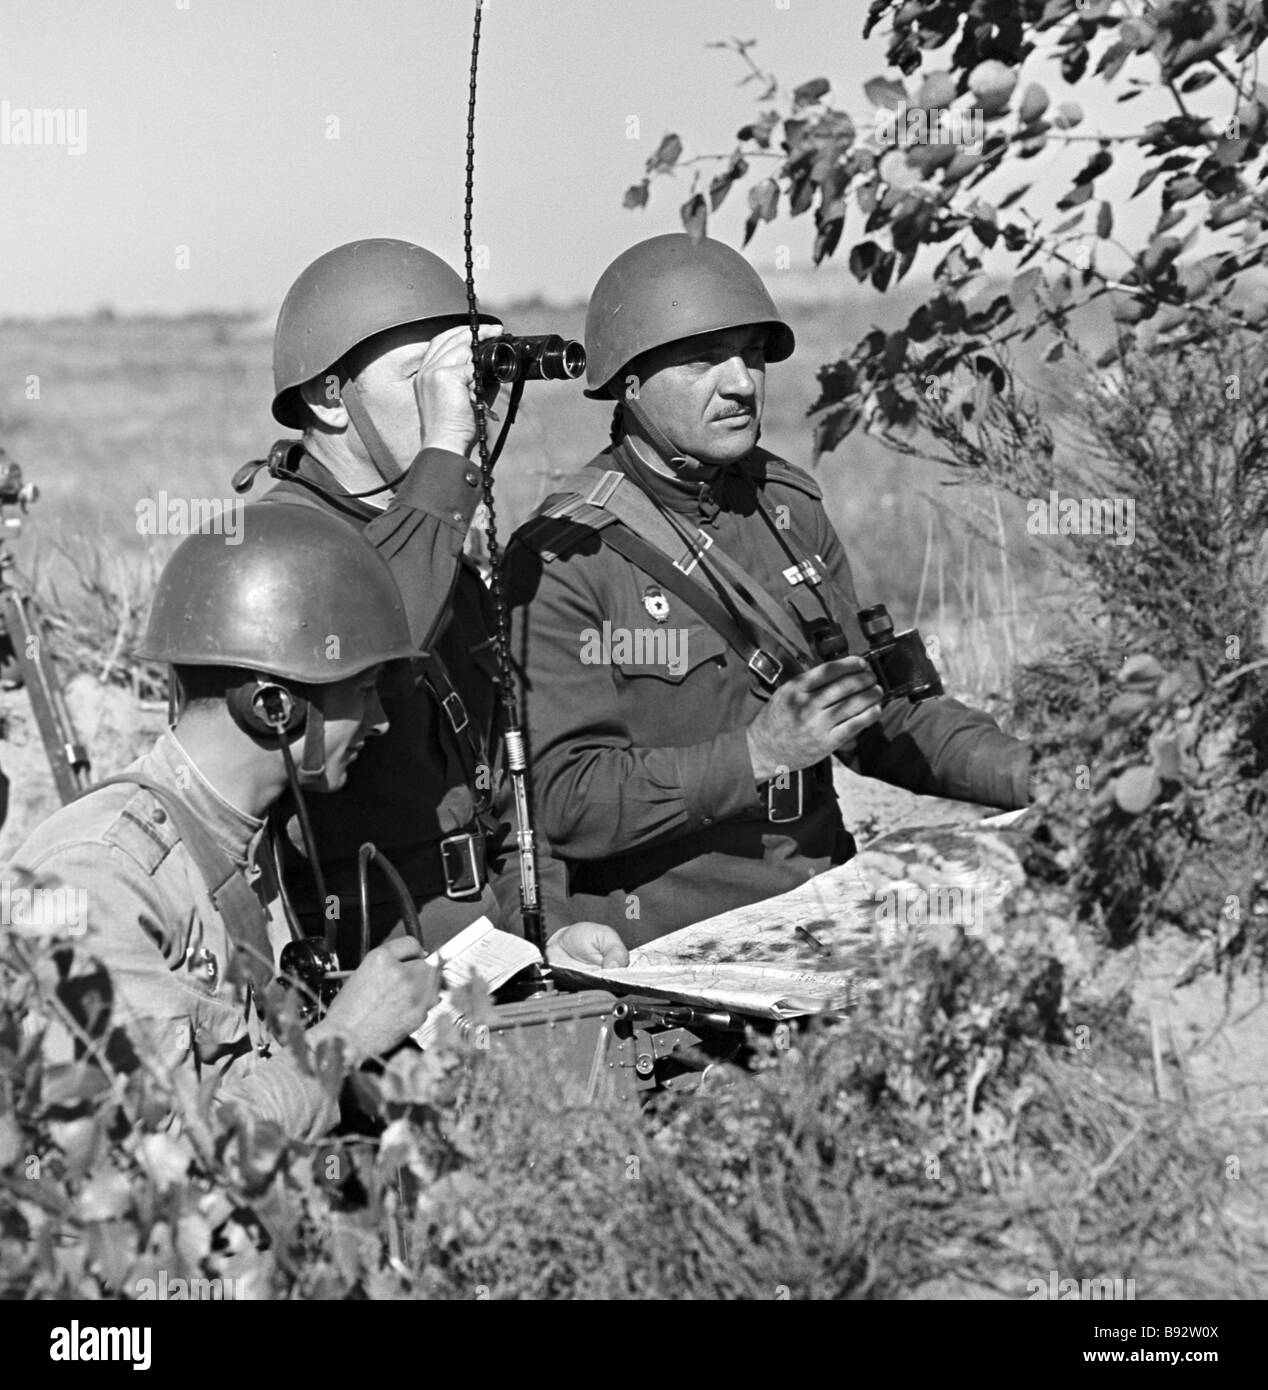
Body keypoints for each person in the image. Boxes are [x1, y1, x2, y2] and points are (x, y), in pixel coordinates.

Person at [506, 233, 1032, 948]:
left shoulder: (786, 506)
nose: (741, 383)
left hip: (824, 911)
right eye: (701, 360)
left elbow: (884, 718)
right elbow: (565, 801)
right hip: (674, 948)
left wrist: (1033, 774)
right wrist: (758, 754)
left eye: (751, 353)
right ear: (628, 383)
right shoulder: (566, 557)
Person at [249, 238, 626, 971]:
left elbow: (497, 787)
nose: (462, 402)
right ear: (331, 398)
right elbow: (372, 643)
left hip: (491, 950)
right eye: (426, 379)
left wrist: (543, 923)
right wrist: (447, 445)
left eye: (464, 382)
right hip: (367, 975)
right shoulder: (272, 552)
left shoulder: (434, 541)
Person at [7, 505, 440, 1140]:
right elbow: (157, 1162)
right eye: (363, 690)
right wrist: (342, 1038)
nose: (379, 720)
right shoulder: (101, 879)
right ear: (275, 706)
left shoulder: (241, 834)